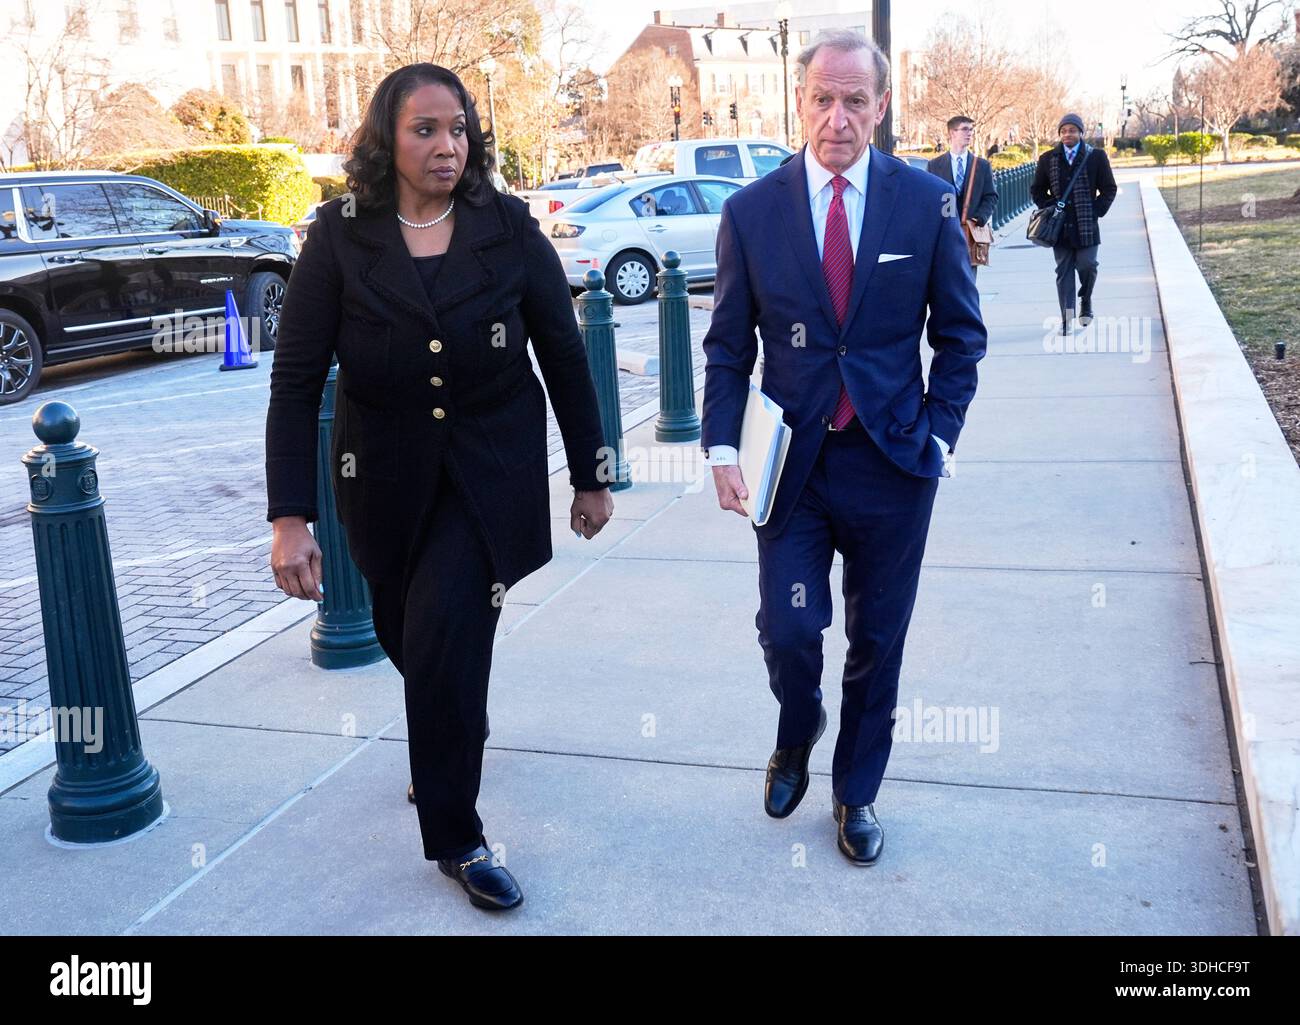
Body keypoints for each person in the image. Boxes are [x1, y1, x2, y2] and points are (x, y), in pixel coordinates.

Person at [264, 63, 613, 911]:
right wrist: (289, 515)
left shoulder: (507, 227)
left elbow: (563, 354)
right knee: (406, 631)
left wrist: (591, 472)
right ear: (388, 141)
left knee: (448, 633)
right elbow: (297, 376)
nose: (446, 145)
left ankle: (458, 835)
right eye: (425, 129)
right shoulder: (340, 237)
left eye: (457, 128)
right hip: (379, 478)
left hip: (487, 473)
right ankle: (453, 720)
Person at [700, 30, 986, 866]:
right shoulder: (751, 213)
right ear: (801, 103)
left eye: (855, 100)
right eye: (823, 99)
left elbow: (961, 335)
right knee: (791, 632)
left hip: (895, 462)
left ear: (881, 106)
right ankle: (797, 727)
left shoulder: (923, 201)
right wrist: (722, 446)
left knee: (877, 640)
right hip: (790, 466)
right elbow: (726, 347)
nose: (837, 118)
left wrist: (939, 432)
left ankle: (855, 790)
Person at [1030, 112, 1118, 333]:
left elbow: (1109, 188)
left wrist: (1095, 210)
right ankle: (1066, 317)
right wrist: (1051, 207)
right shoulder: (1048, 159)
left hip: (1087, 225)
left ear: (1080, 132)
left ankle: (1085, 300)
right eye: (1063, 131)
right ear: (1060, 134)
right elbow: (1037, 190)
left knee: (1088, 266)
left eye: (1072, 130)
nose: (1067, 134)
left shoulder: (1096, 156)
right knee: (1064, 271)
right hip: (1059, 228)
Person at [926, 116, 998, 280]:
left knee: (969, 281)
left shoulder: (982, 165)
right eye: (965, 129)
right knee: (945, 281)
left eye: (971, 130)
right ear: (952, 133)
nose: (970, 133)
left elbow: (991, 196)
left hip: (971, 234)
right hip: (944, 233)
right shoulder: (935, 165)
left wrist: (979, 218)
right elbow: (928, 198)